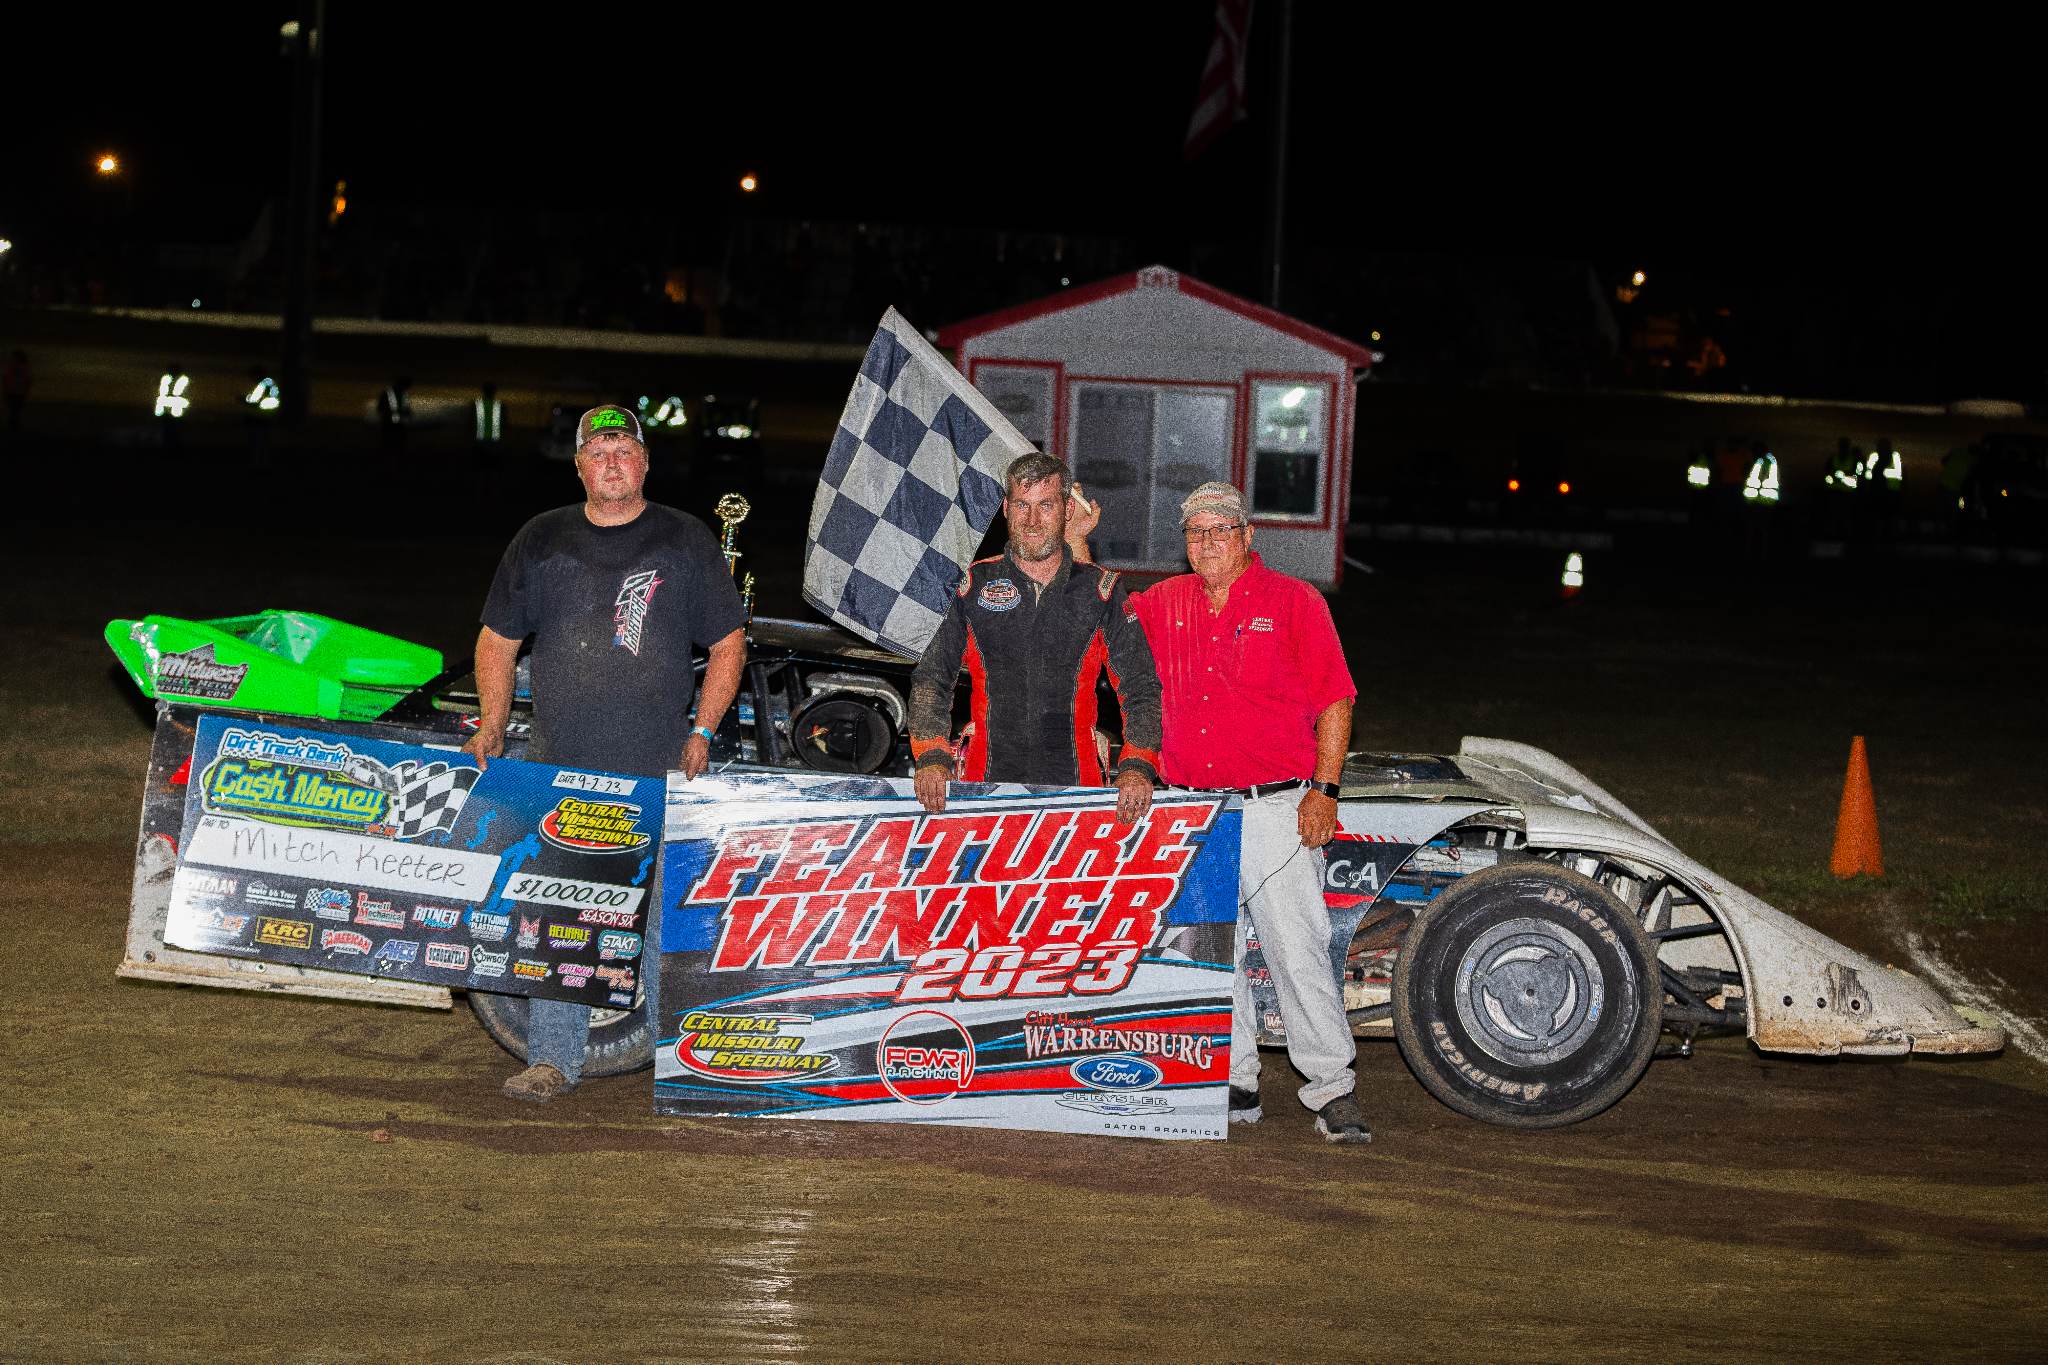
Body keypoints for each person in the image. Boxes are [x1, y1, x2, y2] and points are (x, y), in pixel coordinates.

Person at [463, 403, 748, 1103]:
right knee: (560, 919)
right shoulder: (542, 537)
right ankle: (554, 1061)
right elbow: (498, 639)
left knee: (664, 924)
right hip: (559, 762)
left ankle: (685, 1070)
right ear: (580, 464)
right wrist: (494, 726)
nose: (612, 461)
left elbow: (728, 642)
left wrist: (703, 731)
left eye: (625, 449)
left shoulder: (685, 539)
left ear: (645, 462)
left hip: (659, 766)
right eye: (599, 451)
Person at [1068, 481, 1370, 1144]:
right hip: (1191, 807)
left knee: (1298, 948)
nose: (1206, 543)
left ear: (1247, 536)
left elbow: (1336, 700)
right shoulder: (1164, 602)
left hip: (1275, 805)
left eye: (1219, 530)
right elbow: (1095, 610)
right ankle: (1236, 1079)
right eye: (1195, 533)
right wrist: (1076, 534)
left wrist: (1325, 788)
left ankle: (1333, 1086)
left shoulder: (1294, 601)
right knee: (1211, 951)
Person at [908, 451, 1161, 827]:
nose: (1032, 520)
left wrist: (1138, 765)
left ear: (1066, 511)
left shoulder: (1102, 590)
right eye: (1022, 505)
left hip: (1077, 790)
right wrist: (931, 753)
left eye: (1045, 505)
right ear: (1006, 509)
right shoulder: (971, 585)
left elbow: (1141, 687)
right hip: (983, 786)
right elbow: (932, 678)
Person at [2, 350, 29, 436]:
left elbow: (5, 379)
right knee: (14, 410)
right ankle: (14, 427)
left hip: (16, 392)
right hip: (15, 392)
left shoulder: (16, 367)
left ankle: (13, 427)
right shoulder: (21, 367)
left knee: (14, 410)